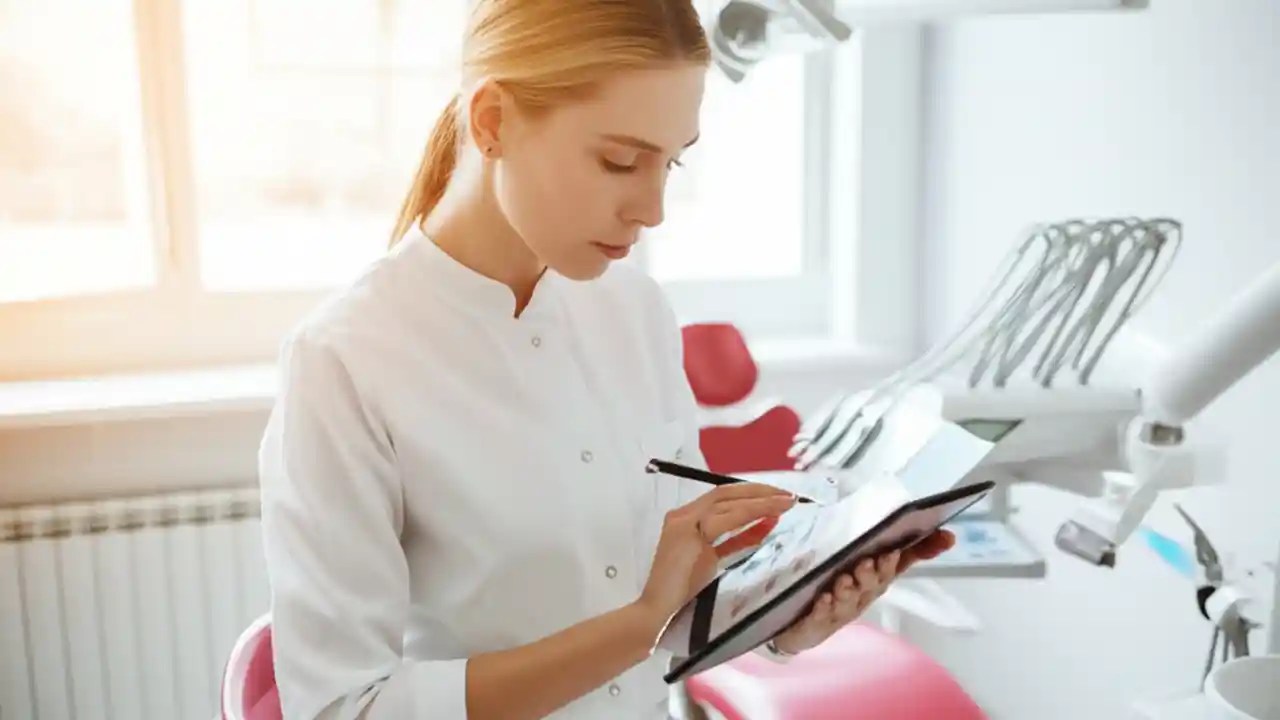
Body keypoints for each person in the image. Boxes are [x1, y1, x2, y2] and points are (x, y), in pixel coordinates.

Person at [257, 1, 955, 718]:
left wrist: (792, 616)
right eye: (619, 160)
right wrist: (633, 627)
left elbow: (673, 602)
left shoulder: (634, 312)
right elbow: (344, 708)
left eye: (671, 161)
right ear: (492, 121)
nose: (652, 208)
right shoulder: (344, 362)